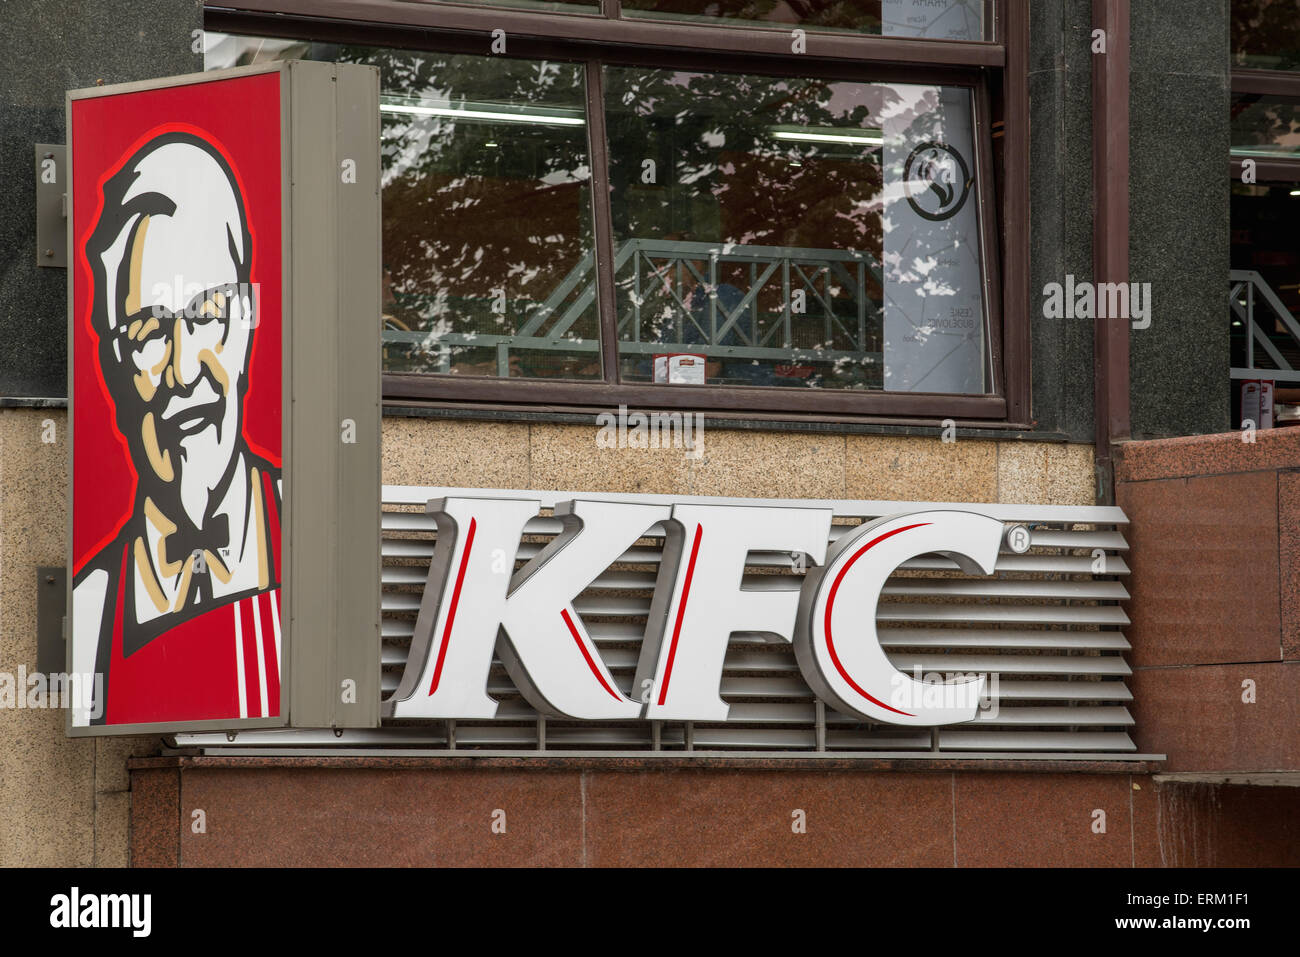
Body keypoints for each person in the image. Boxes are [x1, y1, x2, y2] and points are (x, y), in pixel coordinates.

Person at [72, 131, 282, 727]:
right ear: (111, 370)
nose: (184, 369)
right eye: (147, 333)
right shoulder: (86, 620)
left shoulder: (319, 549)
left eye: (208, 314)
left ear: (245, 330)